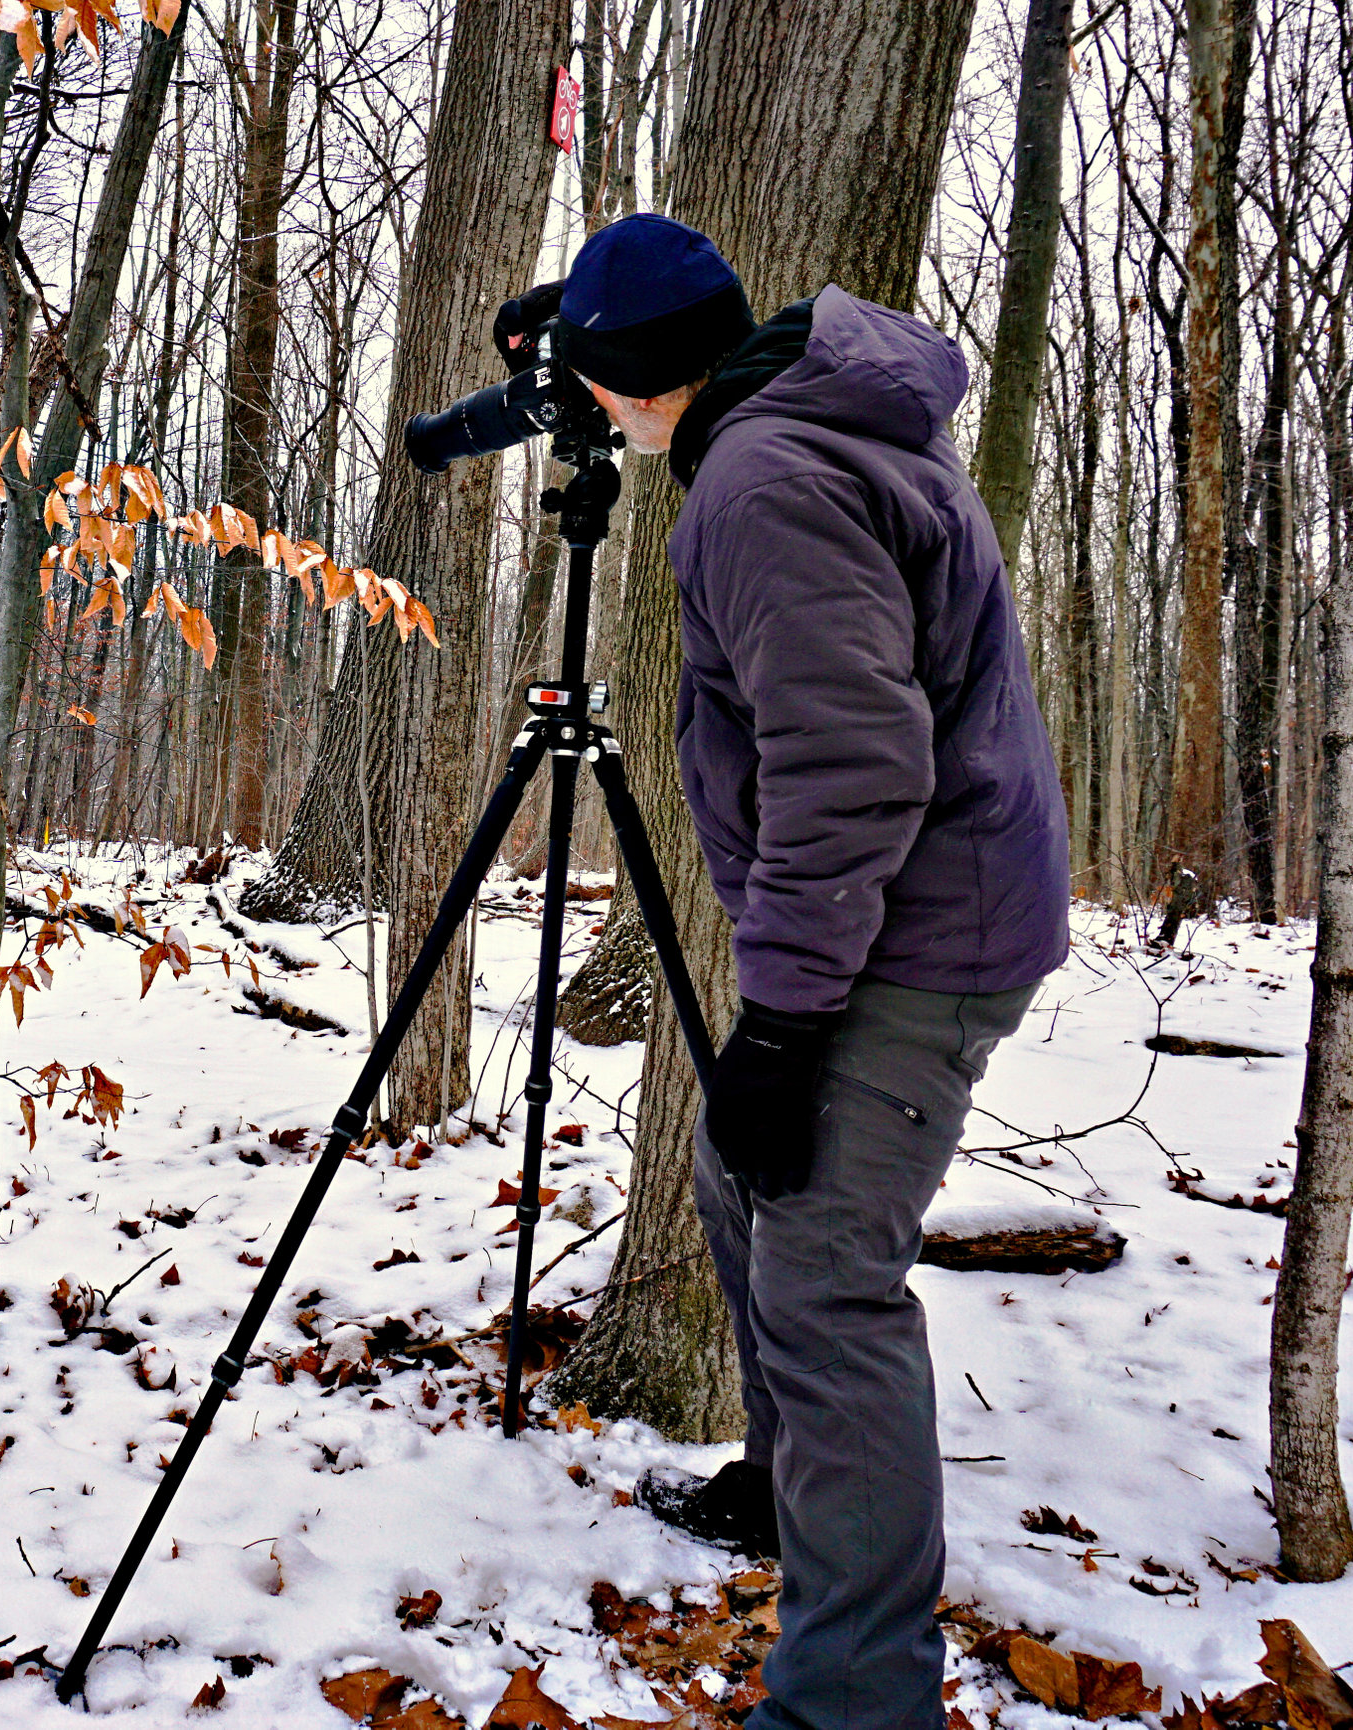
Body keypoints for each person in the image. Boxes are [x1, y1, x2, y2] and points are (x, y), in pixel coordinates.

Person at [552, 212, 1071, 1730]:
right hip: (924, 899)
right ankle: (796, 1496)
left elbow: (850, 767)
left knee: (829, 1273)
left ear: (647, 383)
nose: (599, 419)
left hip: (925, 928)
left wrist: (780, 1024)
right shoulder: (800, 404)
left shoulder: (763, 483)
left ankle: (855, 1695)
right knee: (735, 1172)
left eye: (603, 387)